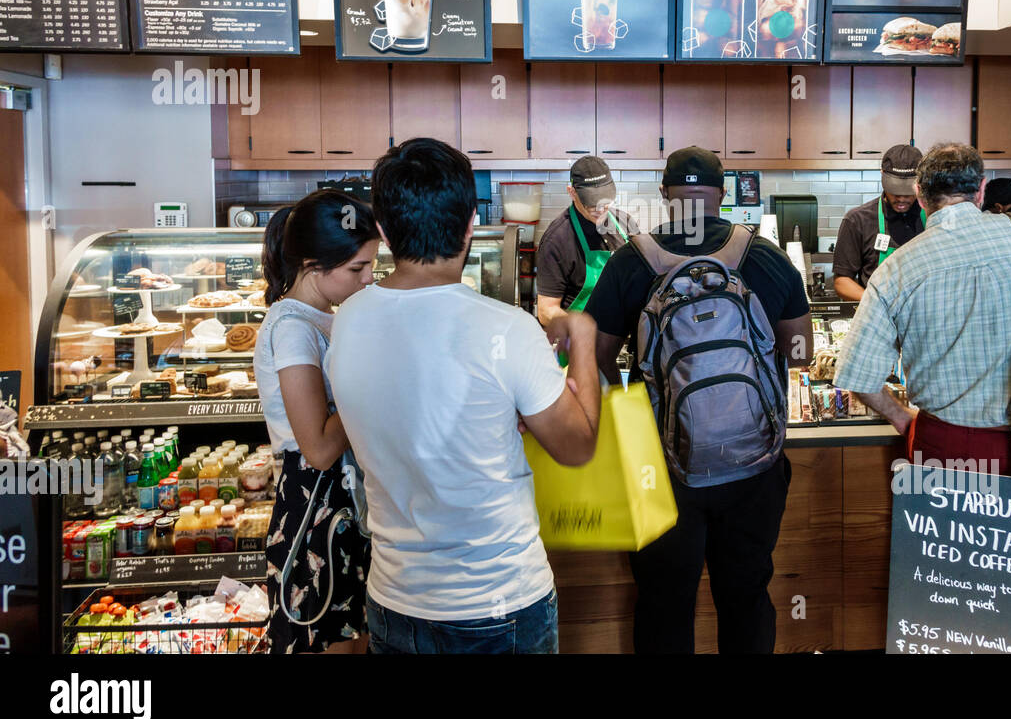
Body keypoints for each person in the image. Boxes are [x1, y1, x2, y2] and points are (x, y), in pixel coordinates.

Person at [325, 138, 602, 655]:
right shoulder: (508, 329)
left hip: (395, 604)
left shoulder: (349, 321)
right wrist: (582, 338)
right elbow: (578, 445)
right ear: (472, 224)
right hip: (499, 606)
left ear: (382, 231)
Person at [585, 146, 813, 653]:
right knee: (746, 596)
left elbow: (594, 357)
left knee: (664, 603)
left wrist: (635, 400)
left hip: (659, 469)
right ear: (724, 194)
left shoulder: (631, 261)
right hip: (753, 462)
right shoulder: (766, 255)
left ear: (665, 194)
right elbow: (800, 353)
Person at [833, 143, 1011, 473]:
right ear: (982, 187)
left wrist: (903, 420)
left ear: (919, 191)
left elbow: (857, 376)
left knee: (948, 527)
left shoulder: (899, 268)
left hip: (946, 445)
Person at [255, 190, 380, 654]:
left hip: (342, 502)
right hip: (316, 506)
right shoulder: (291, 327)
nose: (368, 279)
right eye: (356, 269)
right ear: (312, 266)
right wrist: (370, 374)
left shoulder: (324, 316)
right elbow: (319, 447)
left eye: (372, 265)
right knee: (330, 641)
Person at [535, 155, 639, 328]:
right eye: (591, 202)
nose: (600, 208)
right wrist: (582, 329)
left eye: (605, 200)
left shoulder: (626, 224)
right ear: (572, 192)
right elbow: (546, 311)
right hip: (579, 344)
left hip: (625, 339)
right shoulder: (557, 239)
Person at [833, 144, 926, 301]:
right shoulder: (857, 220)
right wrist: (877, 304)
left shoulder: (934, 217)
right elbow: (842, 282)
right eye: (895, 190)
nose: (901, 198)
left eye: (908, 192)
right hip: (878, 318)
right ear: (882, 176)